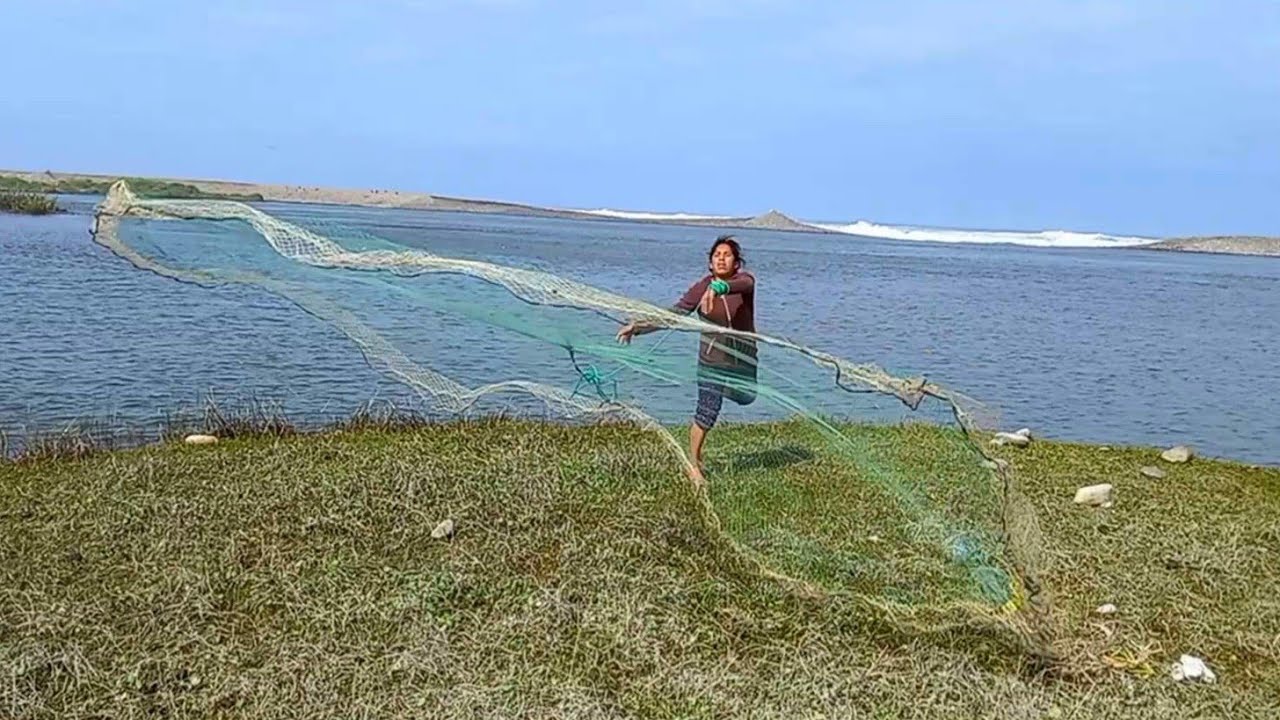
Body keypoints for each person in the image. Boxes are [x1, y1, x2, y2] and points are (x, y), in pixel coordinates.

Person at [616, 235, 757, 484]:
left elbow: (743, 285)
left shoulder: (744, 282)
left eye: (727, 255)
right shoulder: (702, 286)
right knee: (707, 411)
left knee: (747, 398)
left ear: (736, 263)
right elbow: (673, 314)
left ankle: (718, 399)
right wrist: (638, 328)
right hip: (711, 362)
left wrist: (719, 288)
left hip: (743, 361)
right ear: (710, 263)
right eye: (716, 255)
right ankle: (694, 465)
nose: (721, 258)